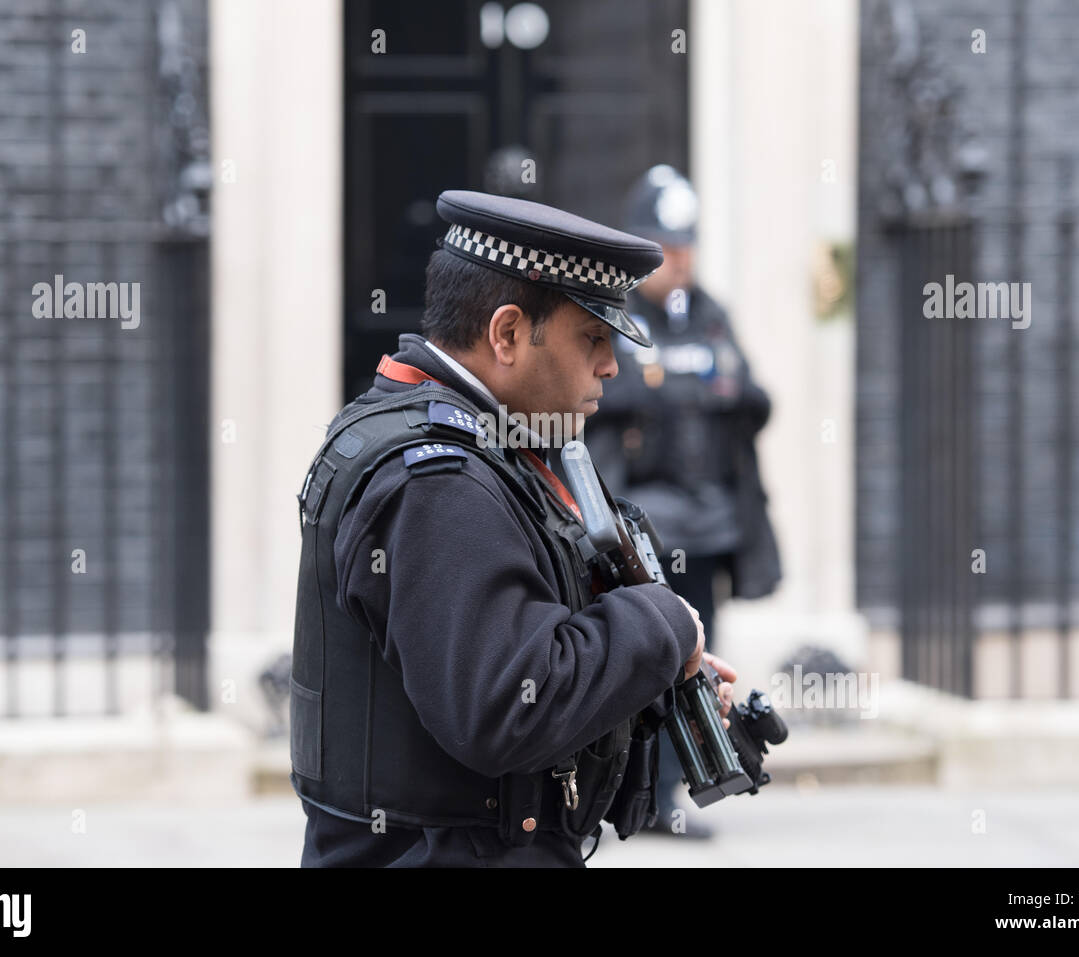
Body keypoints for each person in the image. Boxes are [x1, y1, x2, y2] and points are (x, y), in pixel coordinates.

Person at [290, 189, 740, 867]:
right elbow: (506, 704)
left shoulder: (486, 445)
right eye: (592, 337)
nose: (611, 366)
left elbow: (525, 641)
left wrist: (659, 672)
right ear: (505, 334)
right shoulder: (438, 482)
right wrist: (665, 623)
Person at [584, 166, 781, 839]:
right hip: (642, 526)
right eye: (666, 246)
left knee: (696, 663)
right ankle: (625, 796)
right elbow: (613, 400)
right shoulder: (616, 317)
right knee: (639, 663)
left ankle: (676, 792)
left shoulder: (711, 313)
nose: (680, 261)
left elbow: (752, 397)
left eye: (687, 247)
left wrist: (689, 384)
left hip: (710, 524)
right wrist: (693, 384)